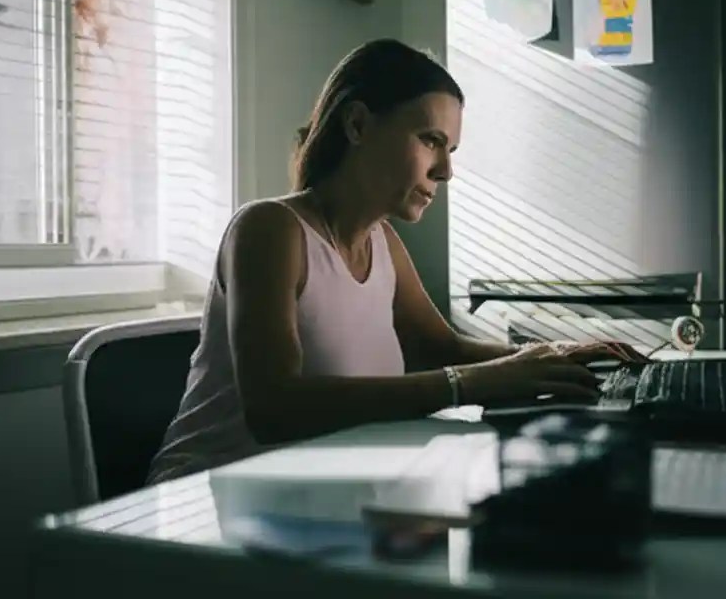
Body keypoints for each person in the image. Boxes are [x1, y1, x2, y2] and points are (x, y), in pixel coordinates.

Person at [148, 39, 639, 483]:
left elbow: (437, 346)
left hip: (313, 495)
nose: (446, 171)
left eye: (451, 150)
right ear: (358, 124)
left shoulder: (384, 243)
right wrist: (470, 384)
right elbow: (274, 408)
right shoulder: (269, 229)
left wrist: (549, 357)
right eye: (431, 141)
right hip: (206, 501)